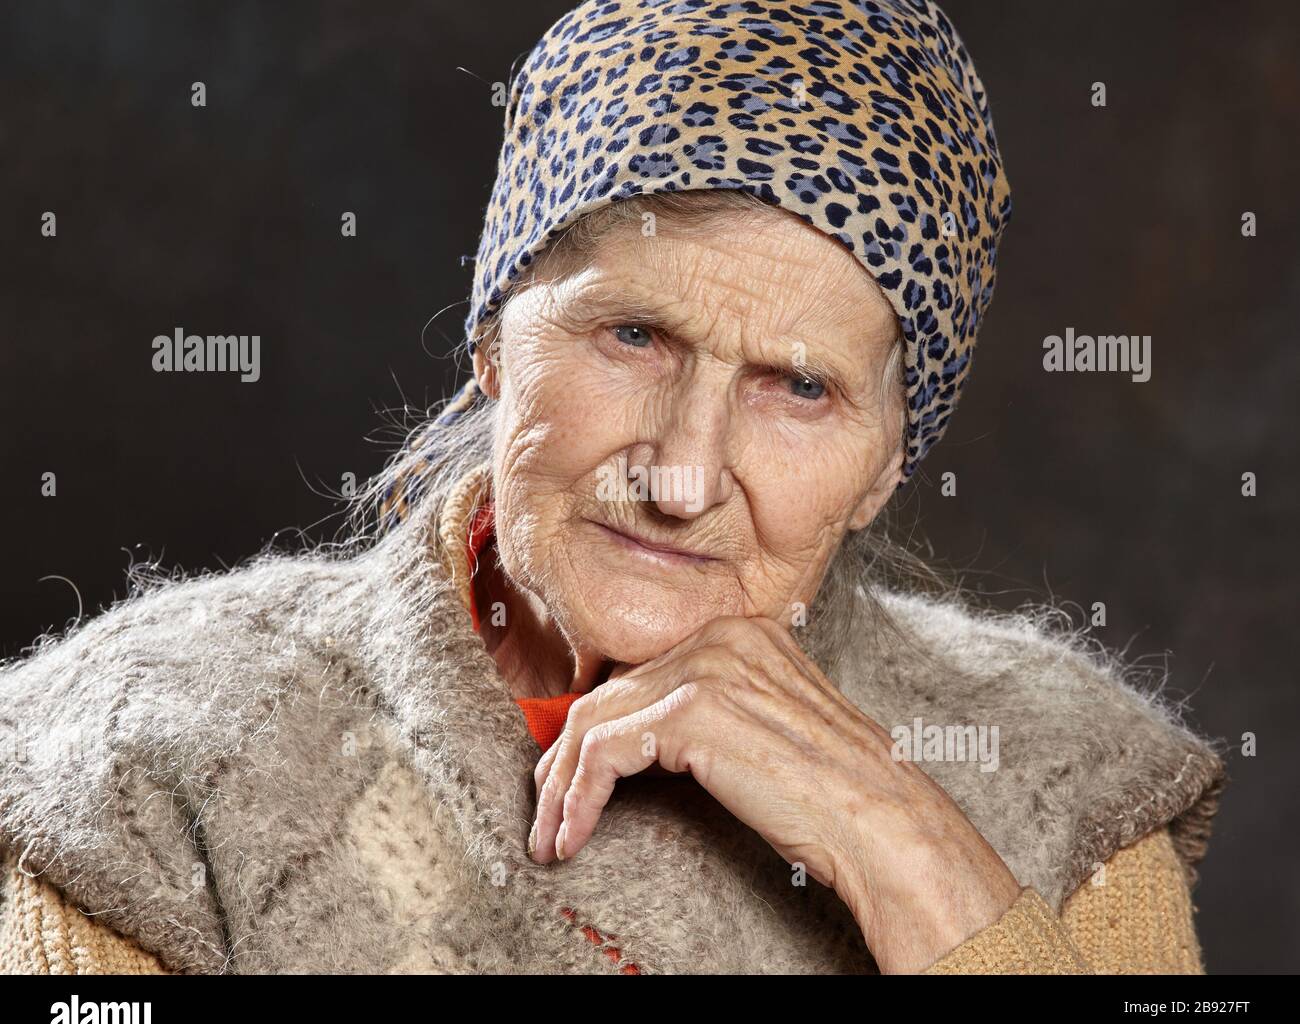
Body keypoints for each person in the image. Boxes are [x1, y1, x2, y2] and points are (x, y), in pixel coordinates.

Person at [0, 0, 1224, 975]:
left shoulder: (1063, 778)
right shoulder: (135, 760)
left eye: (797, 387)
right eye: (633, 337)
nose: (683, 477)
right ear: (492, 343)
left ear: (887, 463)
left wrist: (912, 856)